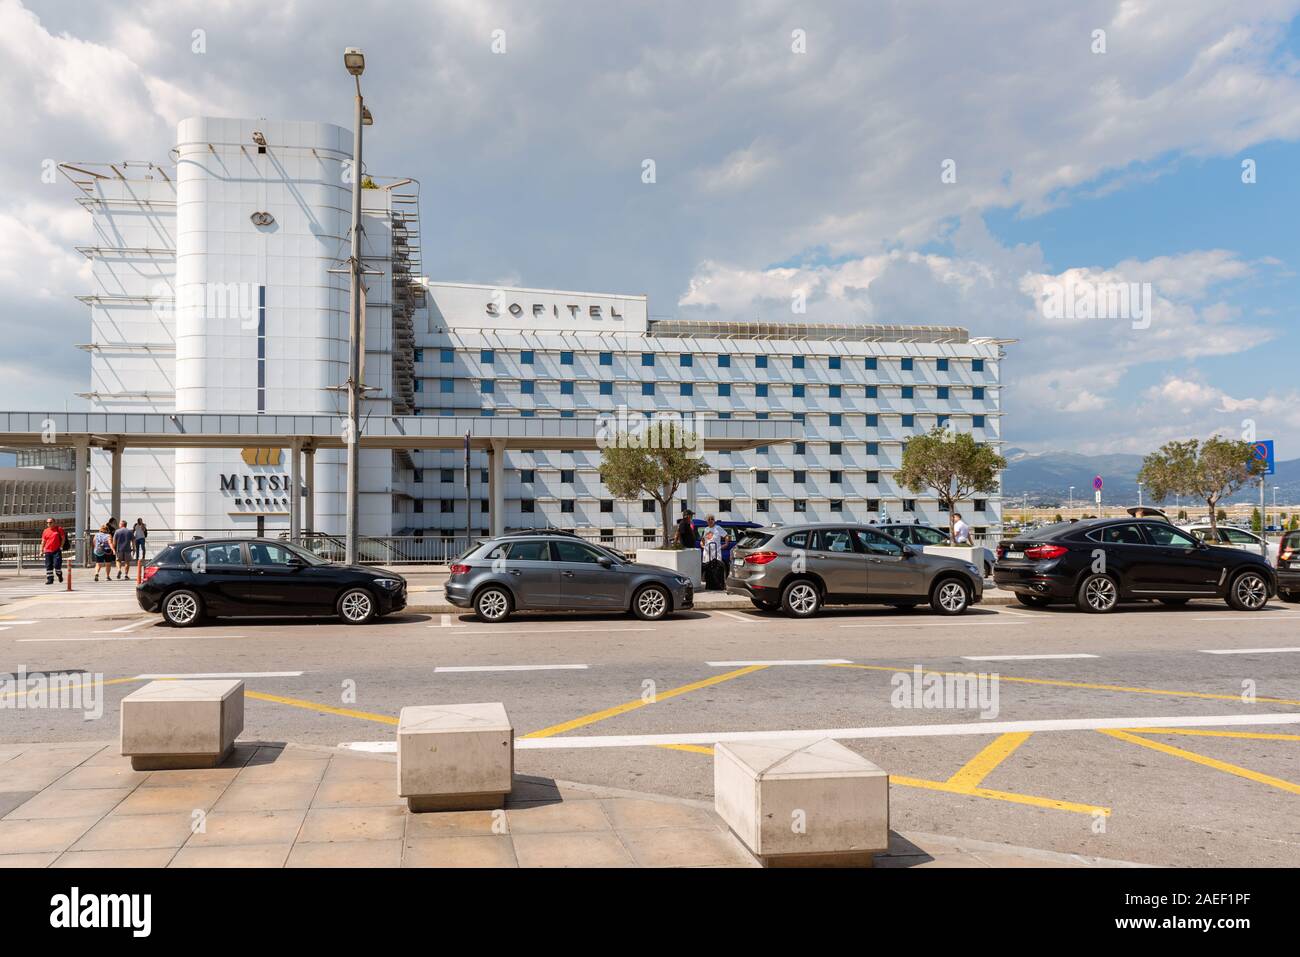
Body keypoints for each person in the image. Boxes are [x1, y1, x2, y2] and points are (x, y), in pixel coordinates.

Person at [699, 514, 730, 591]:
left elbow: (726, 535)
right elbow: (703, 539)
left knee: (718, 567)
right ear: (706, 521)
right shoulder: (706, 529)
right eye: (709, 519)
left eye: (712, 519)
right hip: (707, 551)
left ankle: (719, 585)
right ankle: (710, 585)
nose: (710, 520)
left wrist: (726, 544)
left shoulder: (718, 528)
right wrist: (702, 544)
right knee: (708, 568)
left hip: (716, 551)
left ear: (714, 520)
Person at [41, 517, 66, 585]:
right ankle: (50, 579)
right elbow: (43, 541)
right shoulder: (45, 531)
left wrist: (61, 546)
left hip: (56, 550)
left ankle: (59, 575)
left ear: (54, 523)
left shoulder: (59, 529)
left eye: (50, 522)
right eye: (47, 523)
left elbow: (63, 539)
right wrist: (41, 550)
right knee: (48, 565)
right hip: (48, 550)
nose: (49, 524)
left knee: (57, 565)